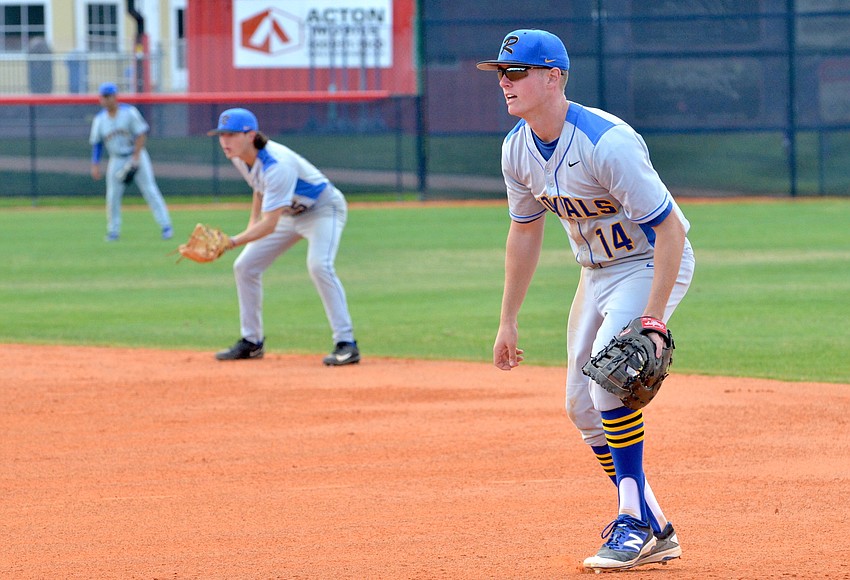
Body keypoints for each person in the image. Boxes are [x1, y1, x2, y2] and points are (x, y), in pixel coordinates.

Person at [479, 30, 695, 572]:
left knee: (608, 384)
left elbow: (670, 230)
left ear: (553, 77)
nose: (505, 82)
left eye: (516, 71)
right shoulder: (516, 149)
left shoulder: (606, 143)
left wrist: (652, 318)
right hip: (594, 274)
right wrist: (508, 319)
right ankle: (655, 525)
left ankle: (632, 523)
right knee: (580, 406)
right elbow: (524, 231)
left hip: (646, 264)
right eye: (501, 73)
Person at [207, 107, 360, 366]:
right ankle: (251, 342)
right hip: (289, 215)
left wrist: (233, 241)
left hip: (322, 210)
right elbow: (259, 189)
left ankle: (346, 343)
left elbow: (269, 224)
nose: (224, 141)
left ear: (250, 135)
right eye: (221, 134)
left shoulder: (277, 164)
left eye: (231, 134)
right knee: (245, 266)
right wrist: (250, 226)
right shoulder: (239, 157)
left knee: (319, 266)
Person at [89, 82, 173, 242]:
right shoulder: (99, 120)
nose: (105, 100)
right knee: (112, 196)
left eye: (108, 96)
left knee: (150, 190)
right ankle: (113, 231)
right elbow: (97, 143)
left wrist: (135, 158)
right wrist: (95, 164)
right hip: (116, 159)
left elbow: (141, 134)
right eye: (103, 97)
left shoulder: (129, 112)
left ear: (115, 97)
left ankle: (166, 226)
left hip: (136, 155)